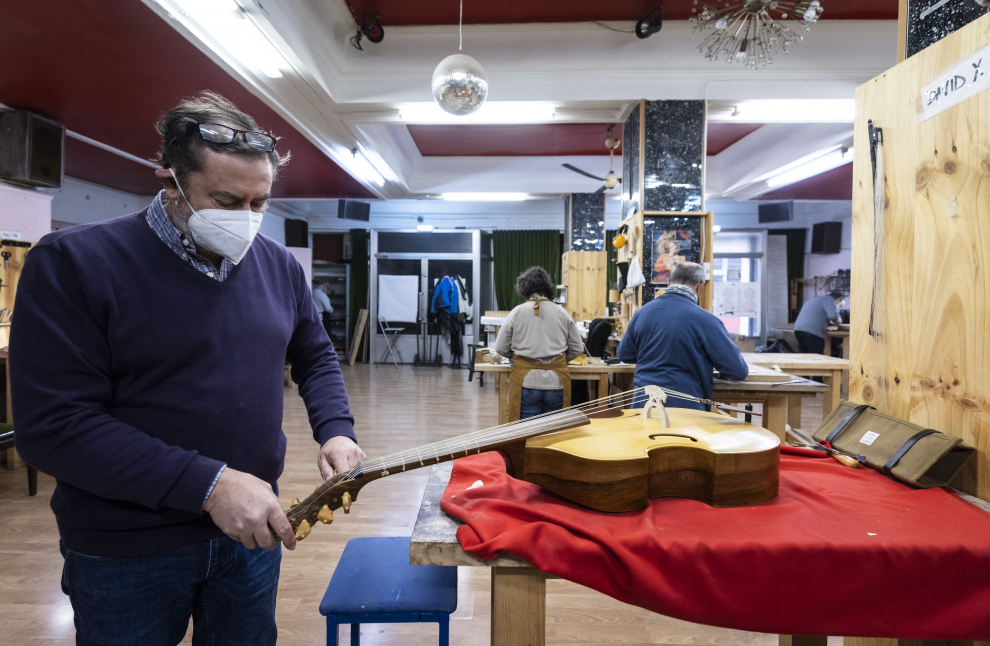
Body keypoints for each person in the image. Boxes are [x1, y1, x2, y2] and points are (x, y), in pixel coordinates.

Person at [10, 91, 367, 646]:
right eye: (227, 200)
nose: (247, 219)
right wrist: (210, 486)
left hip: (250, 533)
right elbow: (56, 427)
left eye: (260, 203)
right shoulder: (73, 263)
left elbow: (314, 353)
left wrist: (336, 430)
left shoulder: (275, 266)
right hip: (127, 547)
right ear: (171, 181)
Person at [618, 262, 749, 410]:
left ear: (668, 282)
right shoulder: (707, 321)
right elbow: (738, 371)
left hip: (644, 406)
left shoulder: (642, 314)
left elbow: (624, 354)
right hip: (686, 410)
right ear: (700, 286)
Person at [495, 266, 583, 421]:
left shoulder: (517, 311)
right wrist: (558, 361)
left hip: (525, 381)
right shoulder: (562, 312)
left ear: (524, 288)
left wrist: (520, 358)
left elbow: (500, 348)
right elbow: (577, 348)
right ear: (548, 288)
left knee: (526, 435)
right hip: (556, 382)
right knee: (552, 435)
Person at [794, 290, 845, 354]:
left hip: (798, 330)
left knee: (805, 357)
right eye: (840, 305)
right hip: (812, 332)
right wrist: (839, 320)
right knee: (816, 358)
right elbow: (834, 316)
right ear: (838, 299)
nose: (839, 307)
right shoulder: (829, 300)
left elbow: (816, 316)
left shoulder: (814, 299)